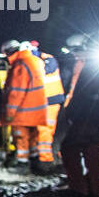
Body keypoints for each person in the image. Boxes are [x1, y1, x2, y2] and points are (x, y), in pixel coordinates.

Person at [60, 32, 99, 197]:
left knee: (69, 148)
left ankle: (79, 188)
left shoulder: (91, 67)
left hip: (86, 117)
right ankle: (94, 188)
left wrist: (71, 113)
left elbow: (82, 95)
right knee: (93, 149)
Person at [0, 39, 47, 172]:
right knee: (33, 138)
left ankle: (22, 164)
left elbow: (16, 92)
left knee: (21, 137)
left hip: (23, 110)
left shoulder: (20, 64)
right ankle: (35, 162)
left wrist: (9, 113)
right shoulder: (35, 61)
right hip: (37, 109)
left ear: (9, 53)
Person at [30, 40, 65, 170]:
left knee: (45, 130)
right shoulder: (39, 60)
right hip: (42, 101)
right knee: (40, 130)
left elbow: (44, 71)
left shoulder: (48, 60)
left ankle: (46, 161)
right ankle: (42, 158)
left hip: (51, 100)